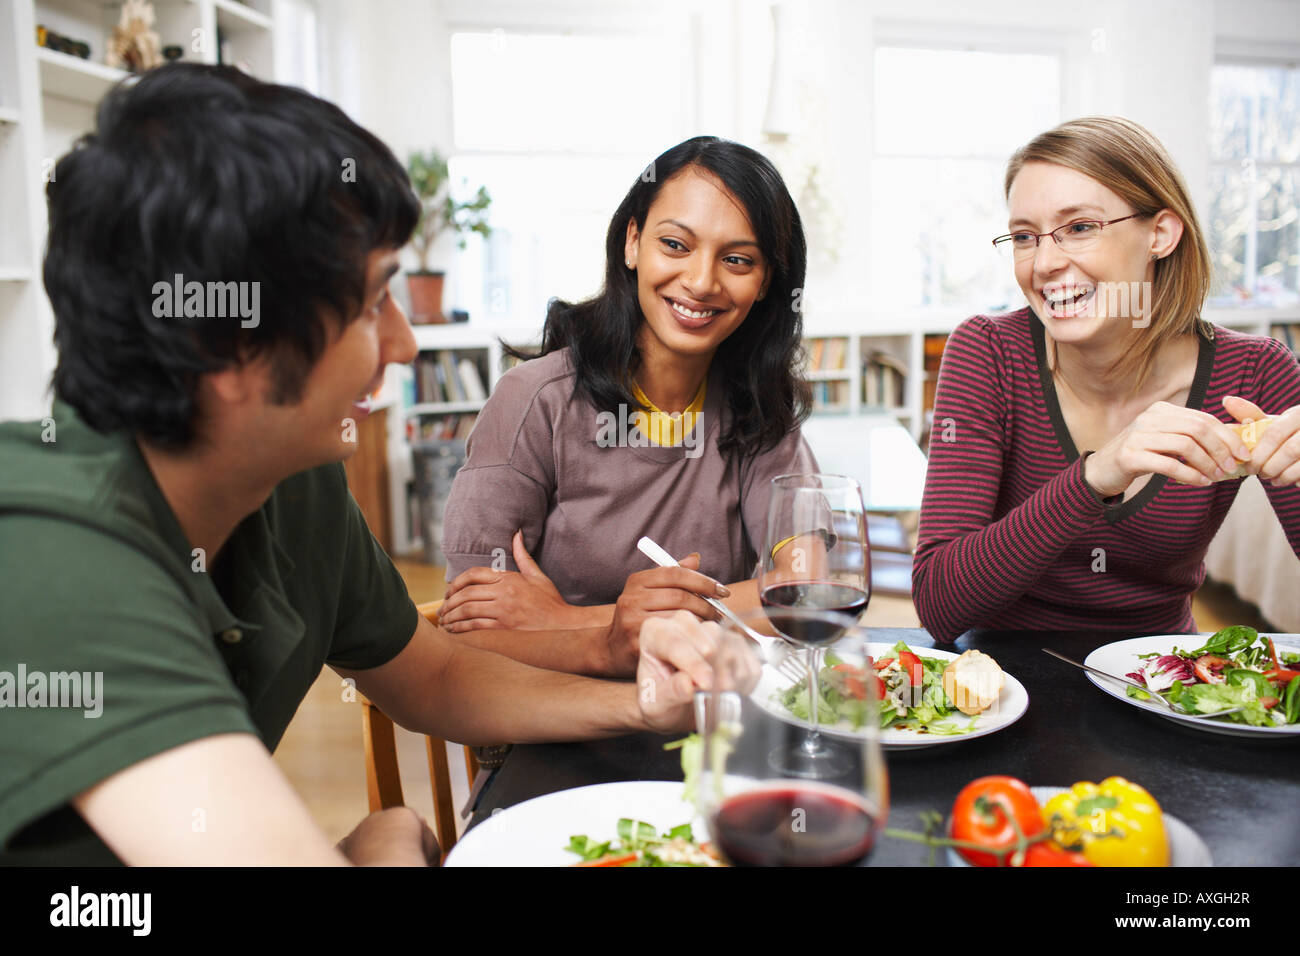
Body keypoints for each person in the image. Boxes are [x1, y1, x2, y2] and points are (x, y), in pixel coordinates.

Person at [0, 64, 720, 867]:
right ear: (227, 342)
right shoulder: (45, 557)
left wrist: (641, 709)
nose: (405, 345)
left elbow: (434, 676)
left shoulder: (288, 479)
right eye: (375, 301)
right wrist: (377, 851)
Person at [436, 136, 819, 676]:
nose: (702, 281)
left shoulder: (760, 407)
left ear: (764, 285)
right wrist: (721, 609)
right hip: (562, 736)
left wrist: (571, 619)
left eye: (736, 259)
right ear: (633, 243)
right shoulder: (533, 403)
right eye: (676, 245)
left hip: (711, 725)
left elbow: (808, 593)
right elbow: (470, 636)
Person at [912, 116, 1300, 643]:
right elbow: (939, 603)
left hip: (1163, 679)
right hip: (1001, 679)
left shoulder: (1255, 370)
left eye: (1080, 228)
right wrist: (1097, 475)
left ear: (1160, 233)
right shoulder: (988, 353)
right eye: (1025, 237)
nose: (1045, 262)